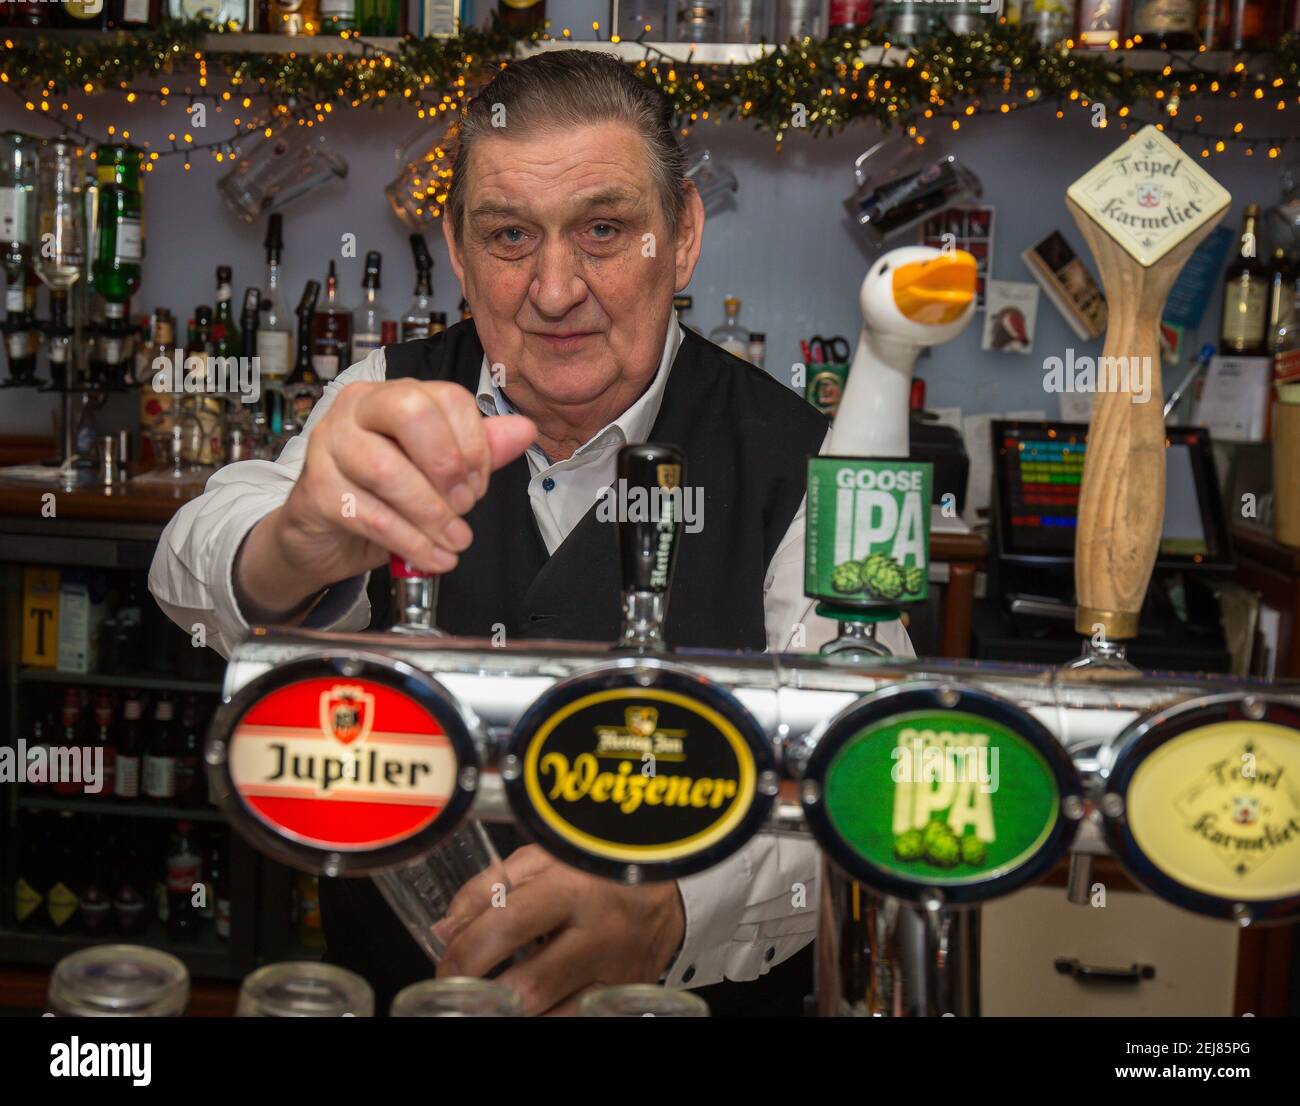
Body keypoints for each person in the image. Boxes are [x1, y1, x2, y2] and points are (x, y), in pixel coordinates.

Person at [150, 49, 910, 1016]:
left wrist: (673, 906)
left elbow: (866, 764)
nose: (554, 291)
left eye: (603, 230)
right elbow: (190, 558)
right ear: (461, 255)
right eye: (510, 236)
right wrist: (293, 541)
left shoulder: (805, 462)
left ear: (680, 238)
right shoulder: (391, 391)